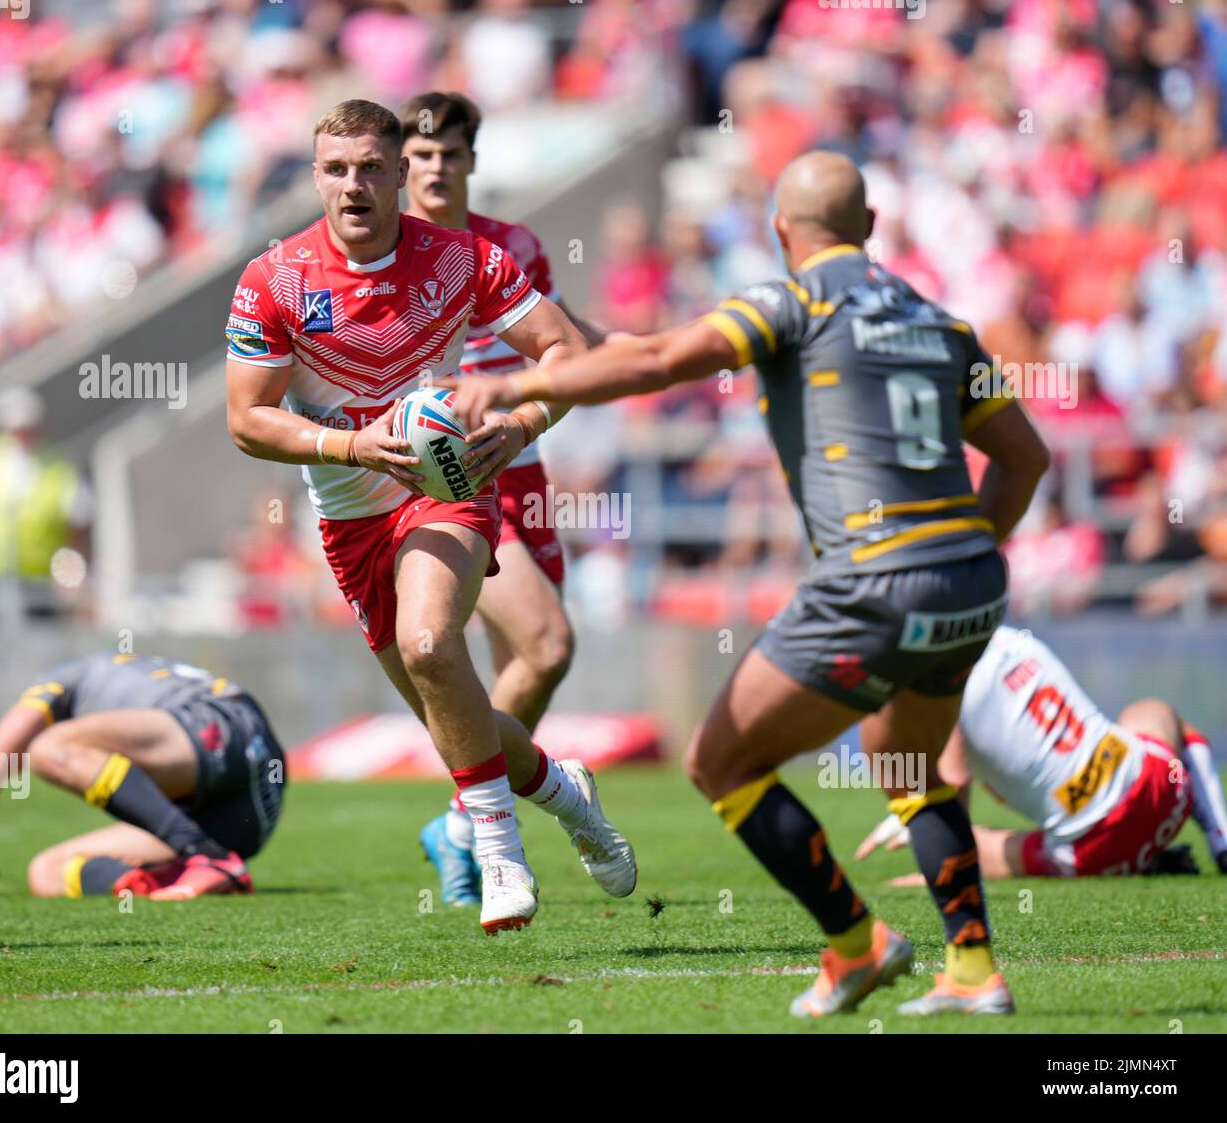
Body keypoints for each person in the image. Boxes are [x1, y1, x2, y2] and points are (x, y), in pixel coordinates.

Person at [447, 150, 1052, 1015]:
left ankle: (858, 944)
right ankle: (973, 970)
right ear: (871, 229)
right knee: (909, 761)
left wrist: (525, 380)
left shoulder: (789, 301)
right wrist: (961, 554)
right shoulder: (938, 321)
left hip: (874, 581)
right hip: (969, 583)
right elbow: (1027, 458)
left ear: (780, 233)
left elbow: (658, 361)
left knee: (721, 758)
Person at [223, 99, 636, 935]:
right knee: (457, 712)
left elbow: (566, 352)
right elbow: (247, 418)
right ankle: (568, 794)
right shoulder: (277, 280)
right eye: (337, 169)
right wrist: (349, 449)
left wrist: (518, 425)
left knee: (428, 642)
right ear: (315, 176)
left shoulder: (463, 259)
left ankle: (498, 851)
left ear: (399, 174)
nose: (354, 185)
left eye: (372, 167)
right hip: (349, 517)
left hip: (446, 483)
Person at [399, 90, 608, 906]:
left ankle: (458, 822)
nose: (436, 167)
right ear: (398, 165)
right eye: (420, 155)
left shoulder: (512, 245)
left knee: (526, 666)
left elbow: (557, 345)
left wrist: (628, 349)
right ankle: (473, 822)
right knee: (549, 644)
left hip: (517, 465)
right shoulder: (388, 252)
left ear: (472, 160)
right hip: (443, 475)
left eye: (450, 152)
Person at [855, 626, 1227, 879]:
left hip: (1095, 854)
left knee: (976, 843)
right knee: (1152, 711)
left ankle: (937, 880)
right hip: (1164, 792)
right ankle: (1219, 835)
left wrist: (920, 817)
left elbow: (955, 780)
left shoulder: (936, 675)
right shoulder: (1012, 638)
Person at [0, 653, 284, 900]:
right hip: (250, 812)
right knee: (47, 871)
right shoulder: (134, 672)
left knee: (48, 747)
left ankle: (205, 857)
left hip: (216, 727)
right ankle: (188, 871)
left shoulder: (60, 681)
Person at [0, 387, 93, 623]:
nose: (21, 436)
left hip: (41, 586)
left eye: (27, 429)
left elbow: (76, 528)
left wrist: (71, 578)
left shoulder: (59, 467)